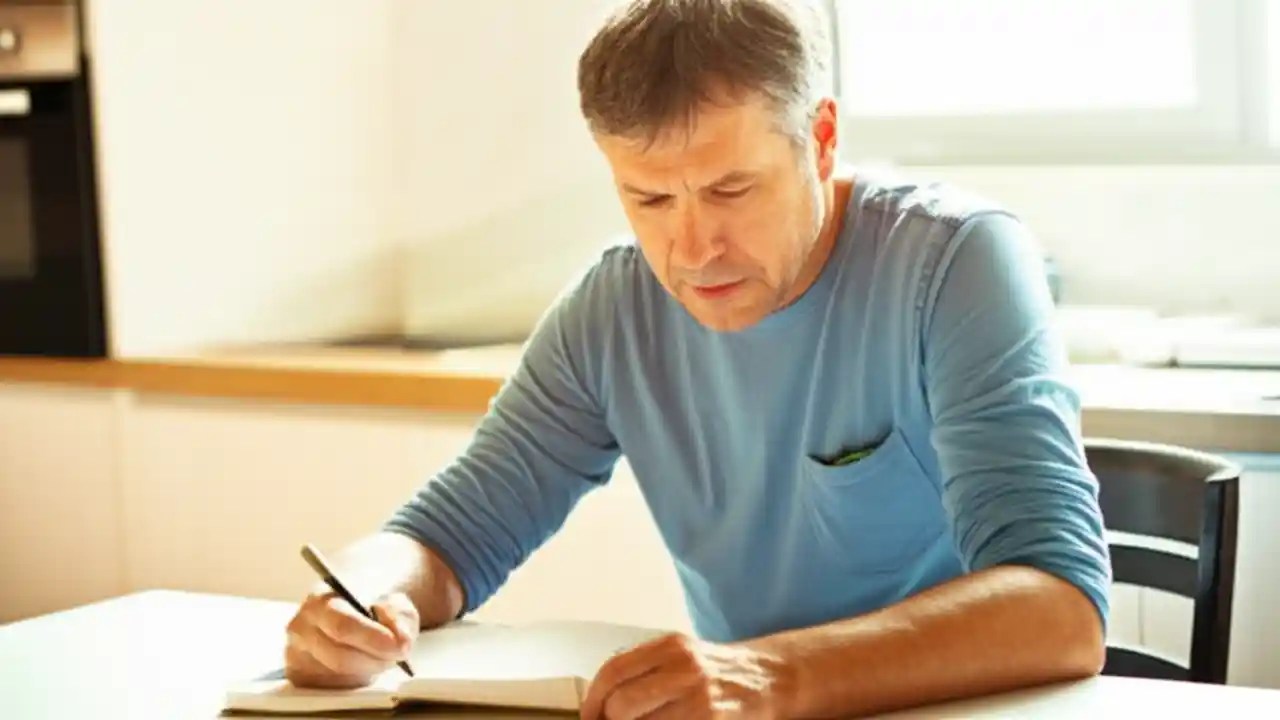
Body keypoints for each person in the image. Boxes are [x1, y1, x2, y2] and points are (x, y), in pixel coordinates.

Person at [283, 0, 1111, 717]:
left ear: (820, 140)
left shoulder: (956, 263)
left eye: (730, 190)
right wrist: (359, 596)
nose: (692, 249)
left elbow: (1062, 608)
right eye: (648, 199)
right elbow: (444, 540)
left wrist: (767, 676)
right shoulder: (613, 311)